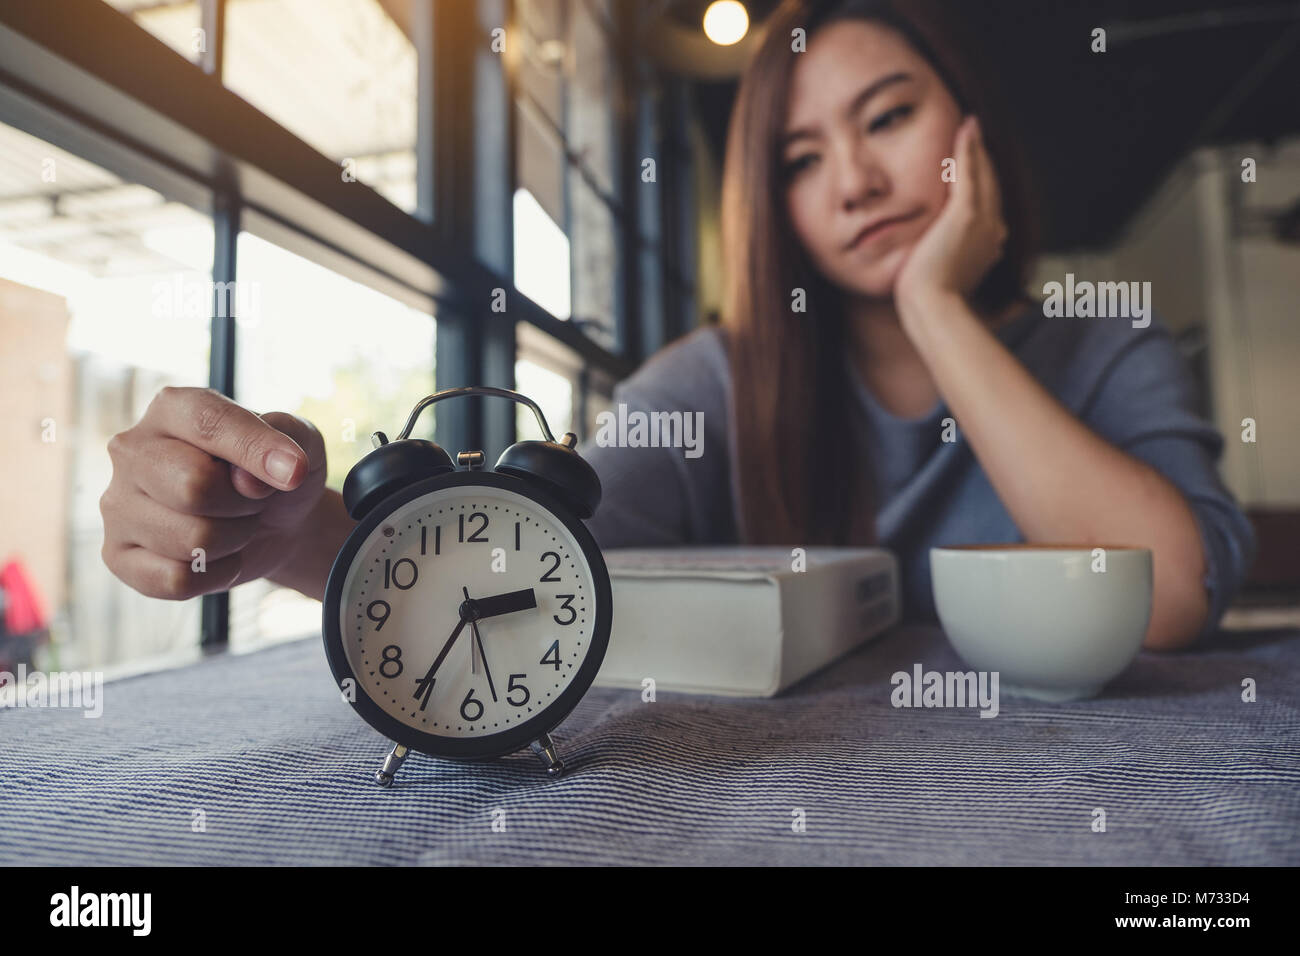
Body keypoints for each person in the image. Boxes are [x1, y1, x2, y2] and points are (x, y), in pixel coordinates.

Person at [101, 0, 1254, 652]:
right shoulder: (716, 381)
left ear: (972, 128)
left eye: (888, 118)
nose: (852, 183)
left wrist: (934, 304)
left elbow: (1163, 596)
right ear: (776, 211)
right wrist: (294, 531)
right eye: (800, 161)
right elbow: (524, 558)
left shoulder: (1109, 351)